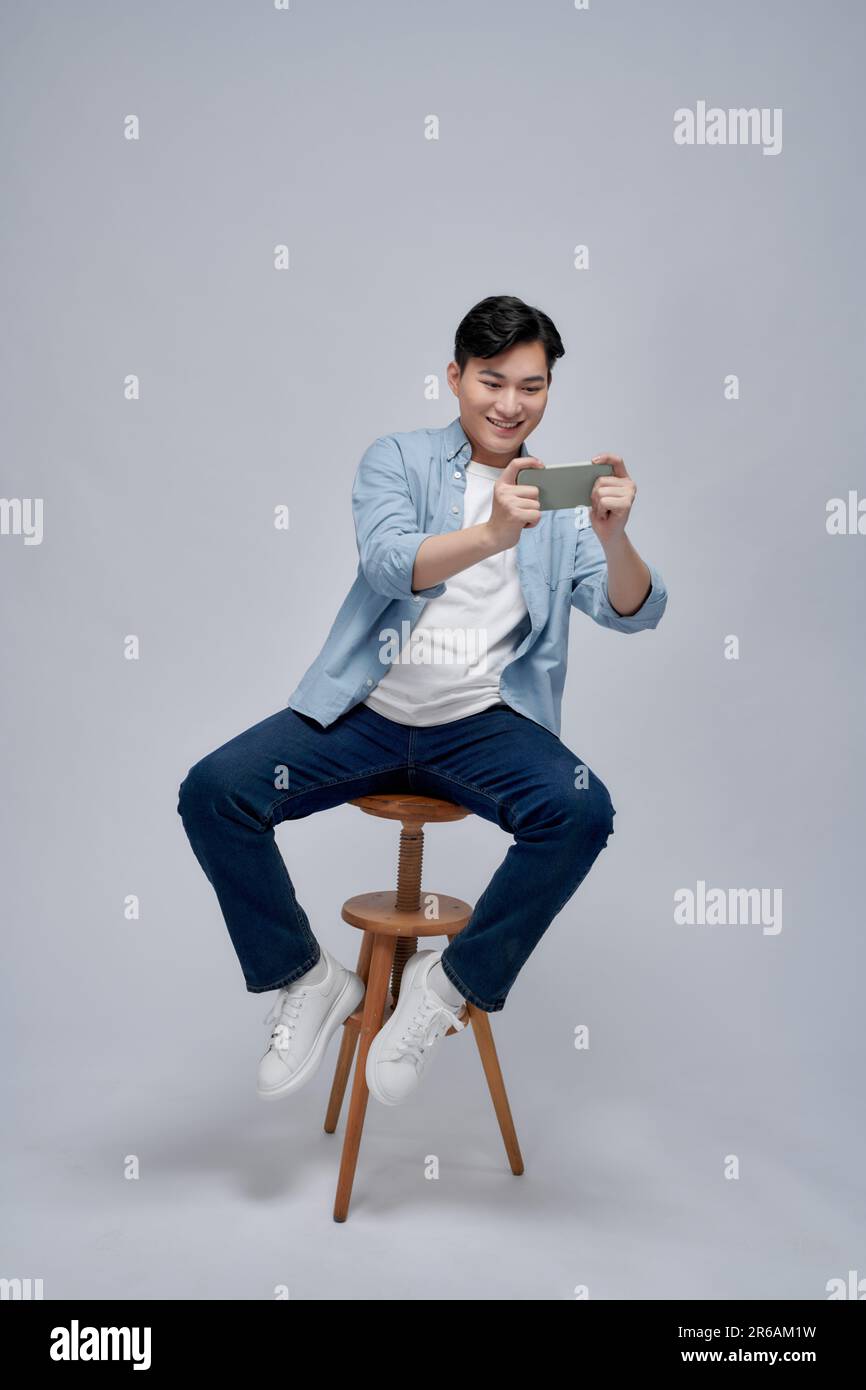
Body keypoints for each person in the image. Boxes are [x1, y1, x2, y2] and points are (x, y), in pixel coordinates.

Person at [177, 293, 668, 1108]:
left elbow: (634, 611)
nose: (510, 404)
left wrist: (615, 539)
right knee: (215, 792)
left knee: (580, 812)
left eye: (532, 385)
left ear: (549, 389)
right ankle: (305, 977)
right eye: (491, 380)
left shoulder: (555, 498)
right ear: (455, 377)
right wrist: (489, 536)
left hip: (483, 727)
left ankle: (445, 993)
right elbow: (385, 563)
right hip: (364, 716)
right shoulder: (398, 459)